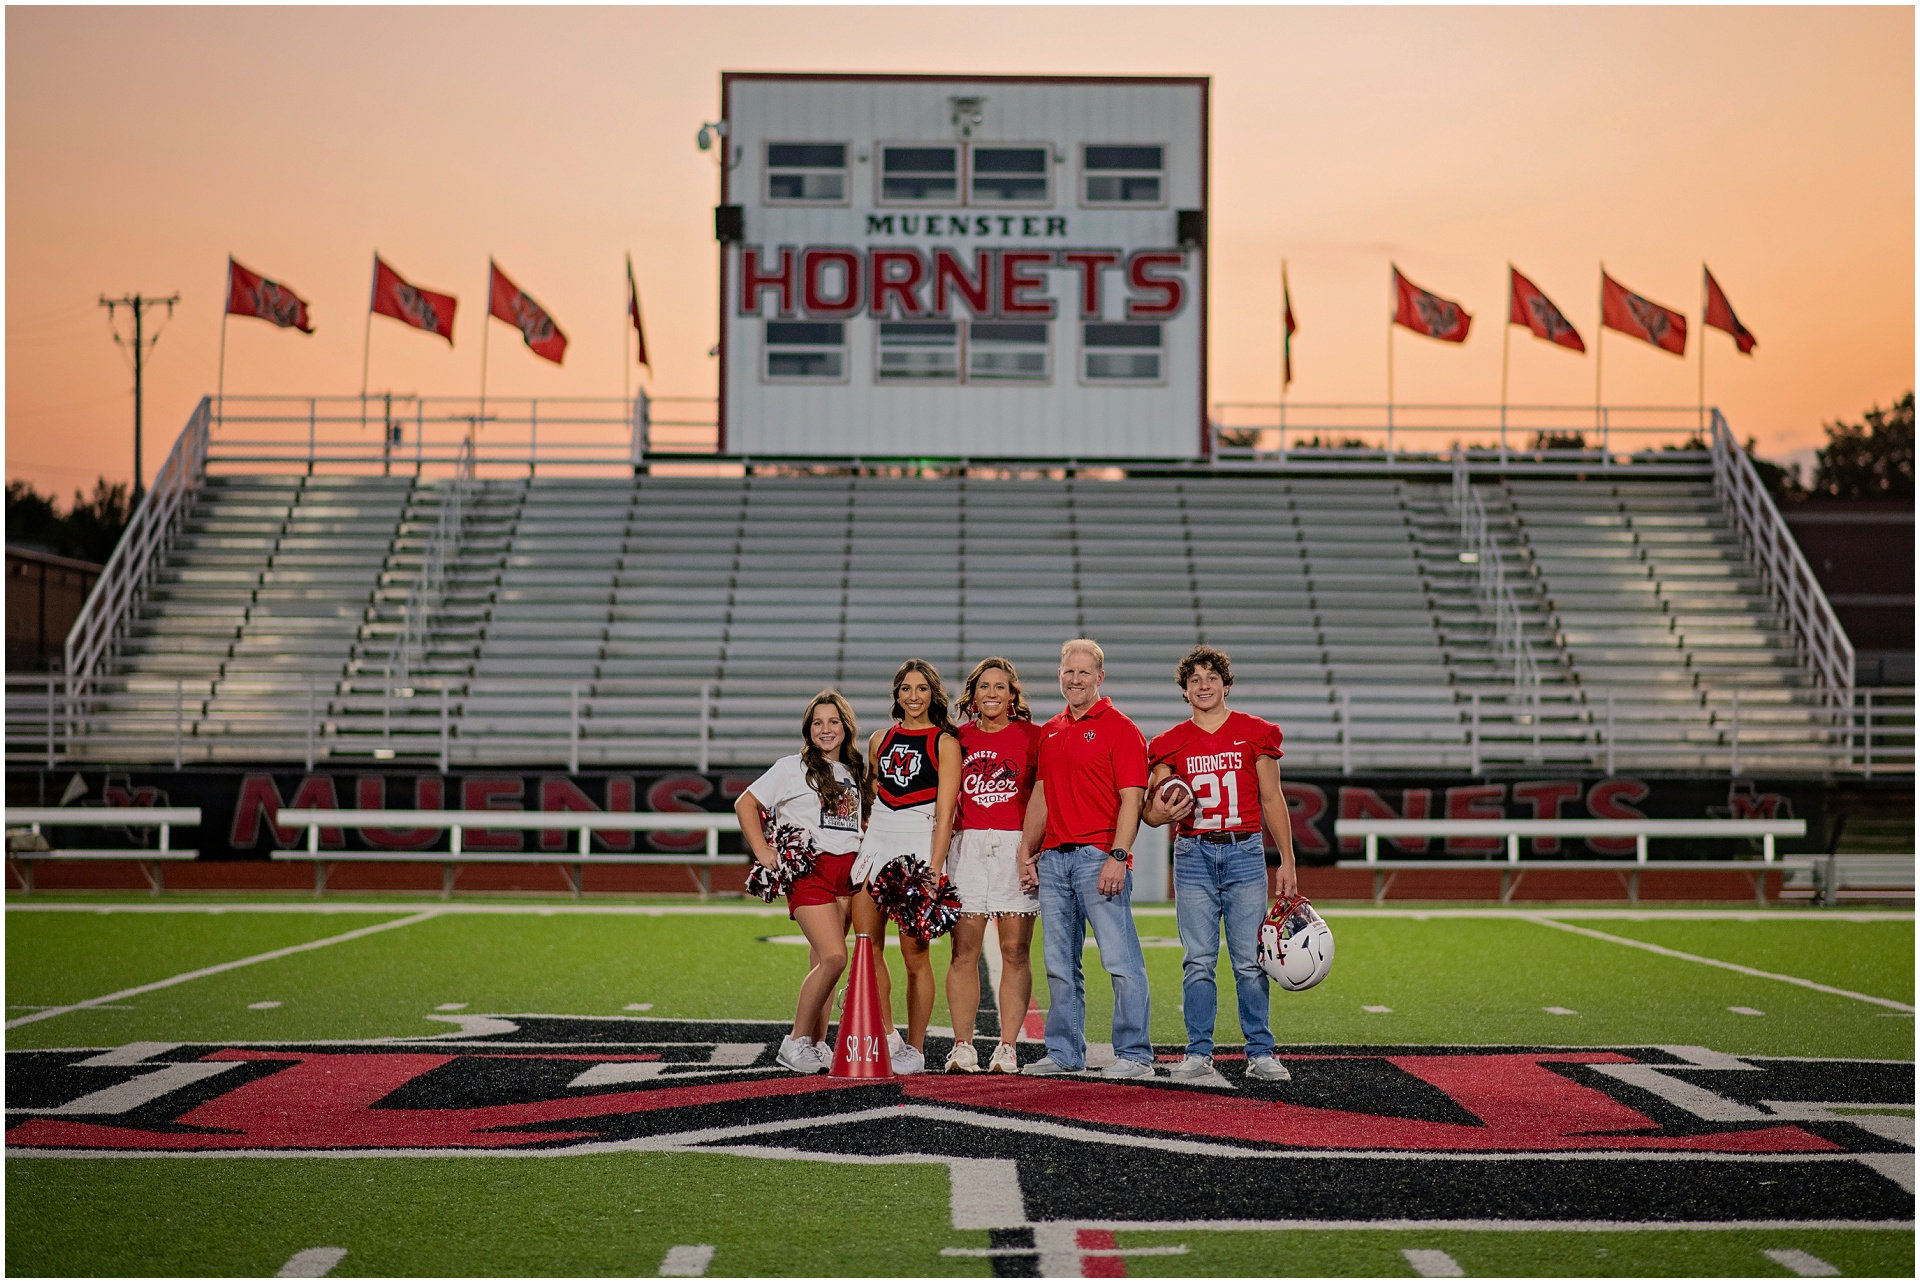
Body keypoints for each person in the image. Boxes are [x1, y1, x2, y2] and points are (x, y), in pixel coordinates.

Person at [1143, 644, 1298, 1082]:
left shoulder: (1255, 732)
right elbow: (1153, 810)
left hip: (1245, 850)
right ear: (1185, 690)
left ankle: (1261, 1051)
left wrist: (1286, 858)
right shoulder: (1169, 742)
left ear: (1226, 684)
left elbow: (1272, 799)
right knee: (1198, 960)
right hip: (1193, 853)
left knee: (1249, 958)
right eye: (1195, 680)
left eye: (1212, 677)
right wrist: (1161, 806)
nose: (1204, 685)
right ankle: (1198, 1051)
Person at [1016, 638, 1154, 1079]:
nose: (1075, 680)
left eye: (1084, 672)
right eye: (1068, 672)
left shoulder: (1120, 727)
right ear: (1060, 675)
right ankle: (1064, 1053)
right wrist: (1026, 850)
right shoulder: (1050, 730)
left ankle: (1135, 1055)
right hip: (1054, 860)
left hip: (1099, 857)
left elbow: (1131, 799)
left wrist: (1118, 855)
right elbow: (1040, 795)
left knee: (1120, 960)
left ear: (1100, 677)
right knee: (1059, 965)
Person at [734, 690, 869, 1075]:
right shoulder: (791, 767)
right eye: (817, 723)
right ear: (808, 729)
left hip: (849, 873)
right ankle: (795, 1041)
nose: (825, 729)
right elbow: (745, 803)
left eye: (833, 722)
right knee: (834, 957)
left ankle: (818, 1042)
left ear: (846, 726)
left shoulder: (855, 770)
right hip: (811, 874)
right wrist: (762, 850)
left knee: (822, 962)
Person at [847, 658, 962, 1076]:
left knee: (915, 954)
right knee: (866, 944)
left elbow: (946, 811)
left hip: (918, 844)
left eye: (921, 689)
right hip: (877, 841)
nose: (913, 697)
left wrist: (933, 866)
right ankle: (886, 1032)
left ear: (934, 693)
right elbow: (875, 791)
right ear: (895, 695)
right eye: (905, 689)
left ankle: (914, 1047)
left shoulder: (945, 741)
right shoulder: (880, 738)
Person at [944, 657, 1044, 1073]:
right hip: (966, 847)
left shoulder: (1035, 737)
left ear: (1012, 695)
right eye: (985, 686)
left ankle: (1007, 1046)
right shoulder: (955, 738)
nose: (992, 693)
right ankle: (963, 1046)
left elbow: (1043, 798)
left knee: (1015, 952)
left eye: (1000, 687)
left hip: (1014, 849)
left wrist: (1033, 850)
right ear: (973, 693)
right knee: (963, 953)